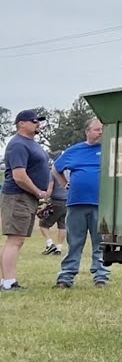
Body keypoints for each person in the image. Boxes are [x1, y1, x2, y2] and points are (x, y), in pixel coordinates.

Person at [54, 117, 109, 289]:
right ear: (87, 131)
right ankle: (66, 277)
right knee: (75, 241)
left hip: (101, 204)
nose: (100, 133)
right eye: (97, 129)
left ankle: (101, 277)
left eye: (102, 130)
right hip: (76, 203)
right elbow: (56, 168)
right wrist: (64, 184)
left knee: (100, 242)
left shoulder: (109, 150)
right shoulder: (74, 151)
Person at [1, 109, 53, 291]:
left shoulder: (32, 144)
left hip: (28, 198)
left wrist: (45, 190)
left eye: (38, 121)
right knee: (15, 240)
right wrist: (38, 192)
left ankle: (9, 280)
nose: (37, 124)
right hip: (18, 196)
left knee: (19, 240)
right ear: (21, 124)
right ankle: (8, 282)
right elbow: (19, 176)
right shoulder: (18, 145)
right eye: (33, 121)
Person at [38, 157, 68, 256]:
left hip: (57, 202)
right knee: (62, 225)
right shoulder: (70, 172)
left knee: (43, 223)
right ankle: (59, 248)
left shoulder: (53, 173)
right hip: (68, 202)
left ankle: (49, 243)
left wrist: (45, 200)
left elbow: (50, 189)